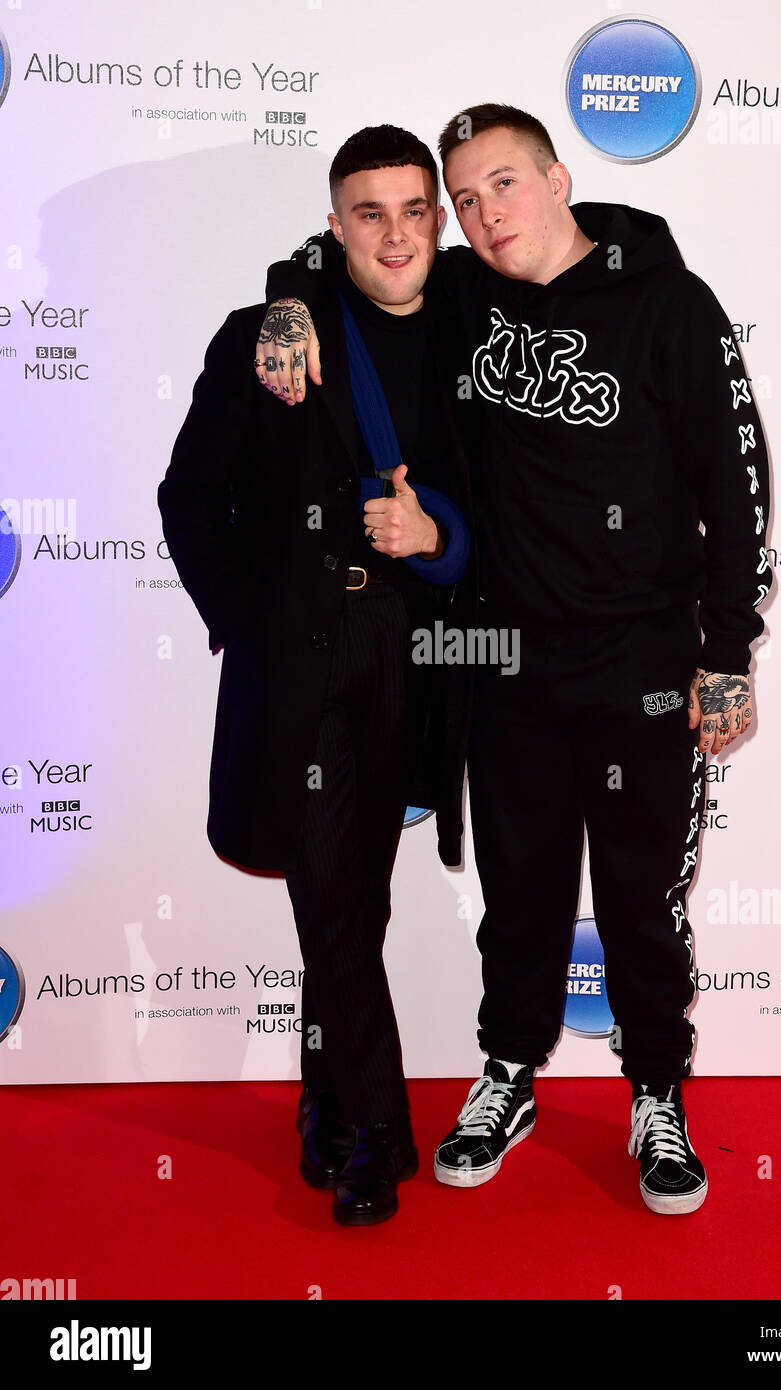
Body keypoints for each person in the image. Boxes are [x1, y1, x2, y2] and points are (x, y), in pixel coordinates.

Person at [254, 103, 772, 1215]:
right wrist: (285, 305)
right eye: (467, 196)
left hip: (640, 656)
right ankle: (508, 1074)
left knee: (641, 900)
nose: (486, 214)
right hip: (501, 661)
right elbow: (343, 256)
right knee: (520, 895)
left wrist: (722, 652)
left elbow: (735, 486)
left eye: (505, 184)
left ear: (556, 176)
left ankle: (654, 1090)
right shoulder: (463, 295)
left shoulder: (667, 303)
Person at [158, 125, 473, 1227]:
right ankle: (377, 1133)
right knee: (334, 891)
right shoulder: (267, 335)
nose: (394, 234)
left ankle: (320, 1099)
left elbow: (495, 515)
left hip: (415, 658)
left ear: (437, 216)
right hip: (298, 657)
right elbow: (187, 498)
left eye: (412, 209)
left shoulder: (476, 339)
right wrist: (246, 618)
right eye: (367, 213)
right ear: (333, 224)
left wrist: (430, 535)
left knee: (354, 899)